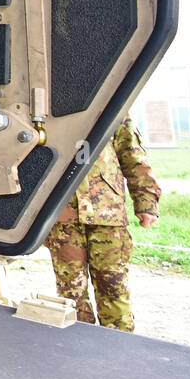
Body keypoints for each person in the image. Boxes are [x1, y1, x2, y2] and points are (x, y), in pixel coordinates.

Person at [45, 115, 161, 331]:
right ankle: (78, 345)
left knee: (113, 286)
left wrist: (146, 202)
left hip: (107, 213)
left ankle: (118, 346)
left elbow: (133, 155)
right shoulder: (46, 105)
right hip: (62, 214)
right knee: (71, 292)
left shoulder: (110, 100)